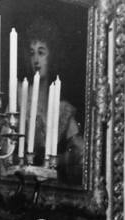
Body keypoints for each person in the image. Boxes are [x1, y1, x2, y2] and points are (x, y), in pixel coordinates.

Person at [23, 22, 86, 184]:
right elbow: (3, 148)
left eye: (41, 53)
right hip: (22, 183)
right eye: (32, 53)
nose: (35, 60)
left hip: (50, 187)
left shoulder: (62, 108)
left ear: (53, 56)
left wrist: (57, 161)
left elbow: (82, 151)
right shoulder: (20, 98)